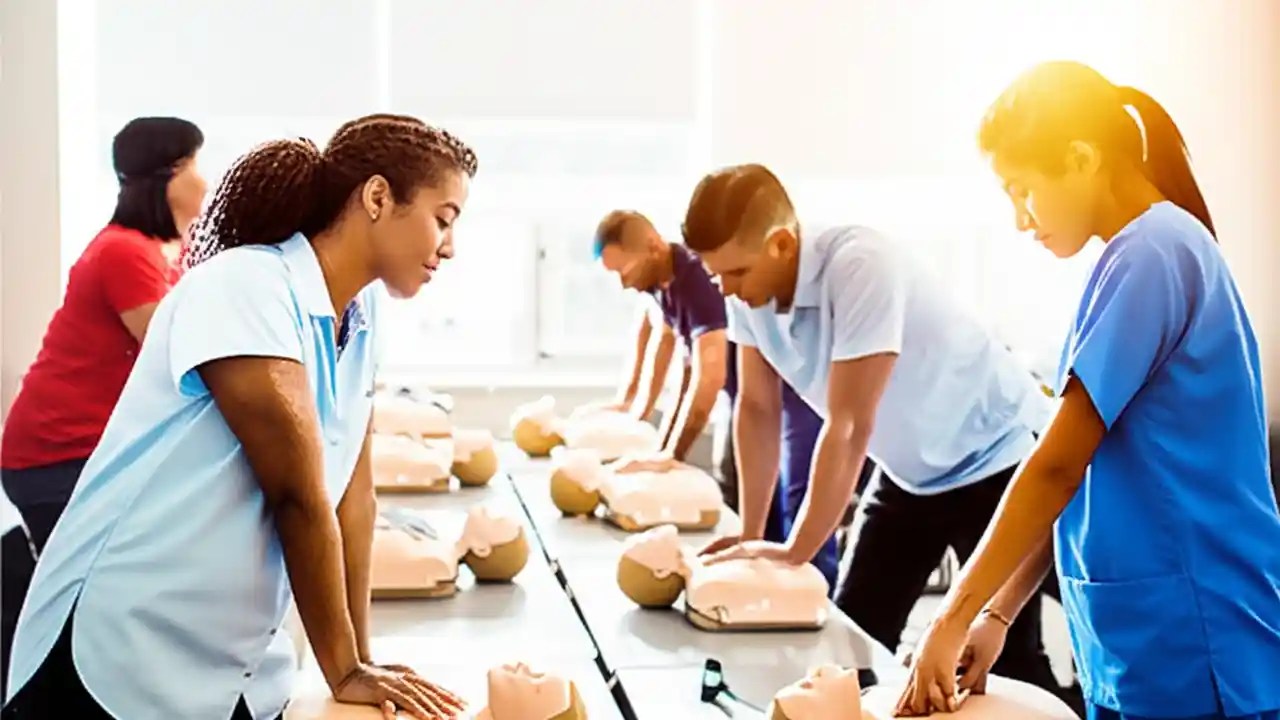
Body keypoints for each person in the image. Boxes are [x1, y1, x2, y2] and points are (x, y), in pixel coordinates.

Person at [3, 114, 477, 720]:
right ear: (378, 198)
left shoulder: (362, 315)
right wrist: (345, 669)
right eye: (443, 218)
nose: (450, 246)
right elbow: (297, 497)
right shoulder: (248, 286)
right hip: (119, 646)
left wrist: (362, 661)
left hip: (230, 663)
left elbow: (353, 500)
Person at [896, 61, 1280, 720]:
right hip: (1144, 637)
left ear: (1081, 158)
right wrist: (997, 613)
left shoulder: (1155, 252)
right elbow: (1078, 472)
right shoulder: (1134, 258)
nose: (1020, 220)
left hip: (1196, 638)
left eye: (1023, 191)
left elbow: (1056, 466)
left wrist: (948, 619)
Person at [683, 163, 1079, 708]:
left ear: (781, 244)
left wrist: (797, 549)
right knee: (852, 647)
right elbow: (755, 409)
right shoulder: (746, 294)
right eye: (715, 277)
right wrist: (754, 537)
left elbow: (848, 425)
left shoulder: (859, 264)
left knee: (1002, 665)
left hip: (994, 461)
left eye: (736, 273)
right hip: (908, 476)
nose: (726, 290)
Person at [0, 116, 205, 697]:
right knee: (95, 605)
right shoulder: (124, 253)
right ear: (169, 175)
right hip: (54, 456)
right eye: (196, 165)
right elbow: (179, 360)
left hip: (82, 453)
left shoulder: (161, 252)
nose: (205, 180)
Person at [590, 210, 839, 588]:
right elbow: (673, 358)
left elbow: (709, 376)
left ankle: (817, 598)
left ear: (653, 247)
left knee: (800, 498)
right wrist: (641, 420)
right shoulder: (660, 285)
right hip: (749, 399)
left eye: (625, 271)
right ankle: (766, 590)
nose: (624, 284)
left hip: (794, 395)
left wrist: (671, 456)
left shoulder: (695, 278)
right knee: (754, 504)